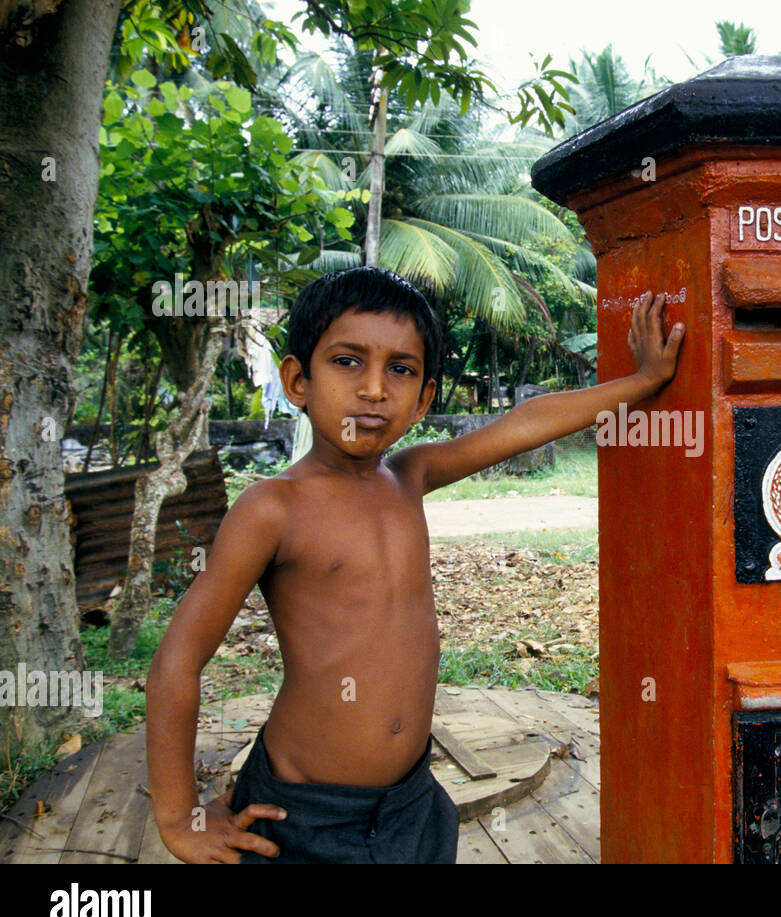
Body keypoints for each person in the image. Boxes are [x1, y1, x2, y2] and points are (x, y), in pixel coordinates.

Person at [145, 267, 684, 863]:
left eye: (400, 369)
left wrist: (644, 380)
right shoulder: (272, 509)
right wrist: (177, 813)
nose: (375, 389)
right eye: (348, 361)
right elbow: (178, 661)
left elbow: (525, 424)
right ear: (297, 379)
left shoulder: (409, 476)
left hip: (412, 803)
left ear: (425, 396)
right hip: (305, 815)